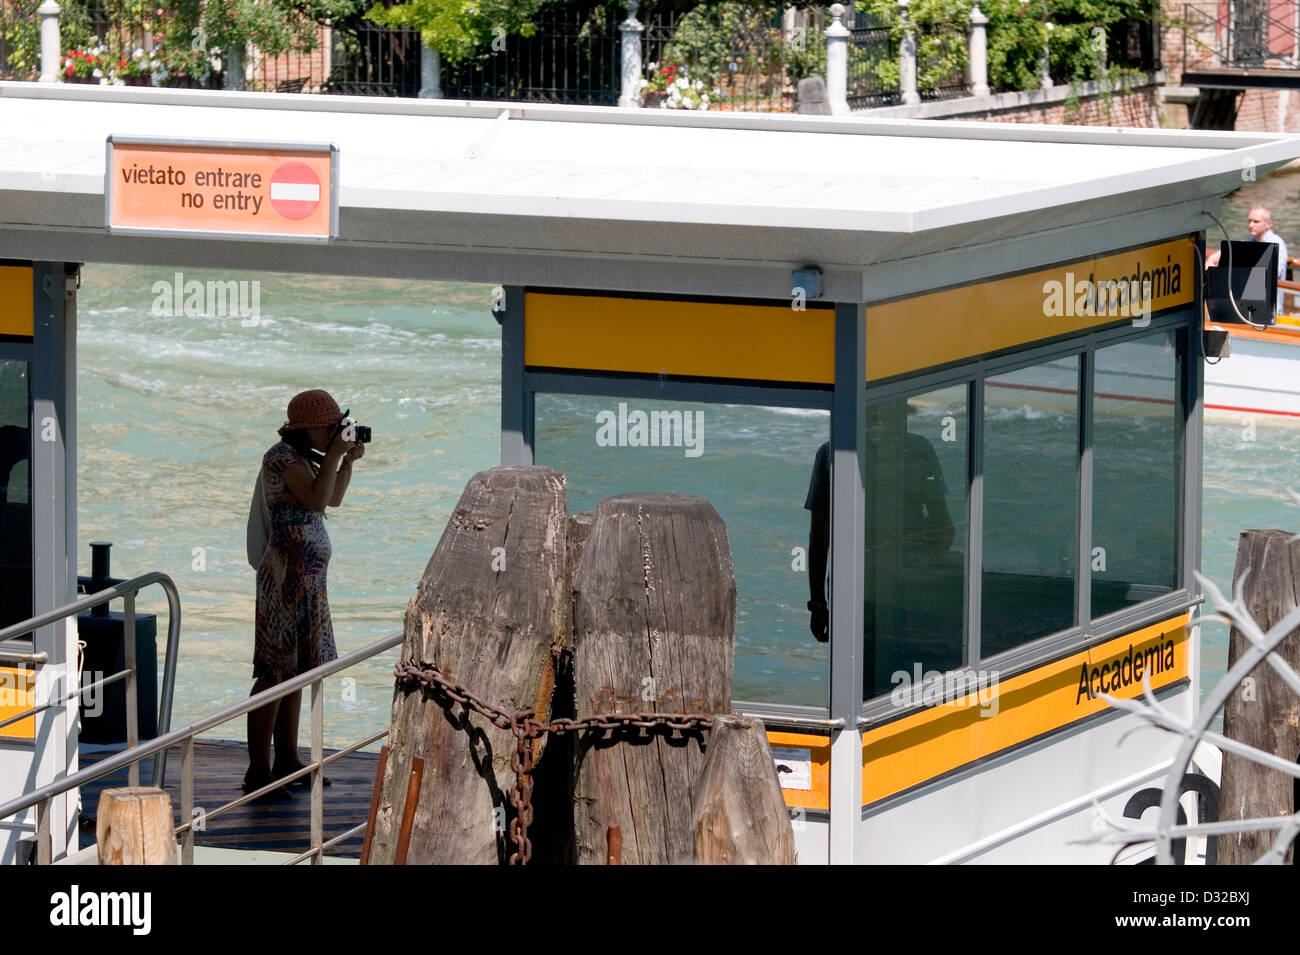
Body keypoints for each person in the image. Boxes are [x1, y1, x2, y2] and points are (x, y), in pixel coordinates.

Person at [245, 389, 364, 798]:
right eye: (330, 427)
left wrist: (345, 461)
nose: (334, 432)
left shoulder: (307, 460)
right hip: (283, 580)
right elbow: (314, 499)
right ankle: (258, 771)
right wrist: (333, 455)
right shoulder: (281, 458)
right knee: (273, 672)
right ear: (311, 427)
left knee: (298, 670)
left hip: (308, 581)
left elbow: (332, 498)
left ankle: (287, 761)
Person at [804, 429, 954, 644]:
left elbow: (819, 537)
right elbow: (944, 527)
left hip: (853, 585)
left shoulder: (831, 452)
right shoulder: (919, 448)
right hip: (907, 579)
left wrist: (818, 604)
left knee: (855, 663)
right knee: (908, 660)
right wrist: (921, 568)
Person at [1206, 206, 1289, 312]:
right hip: (1246, 304)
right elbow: (1223, 254)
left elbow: (1274, 273)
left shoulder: (1277, 244)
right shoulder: (1248, 242)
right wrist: (1211, 260)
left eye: (1256, 221)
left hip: (1269, 310)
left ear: (1268, 224)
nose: (1251, 225)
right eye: (1249, 221)